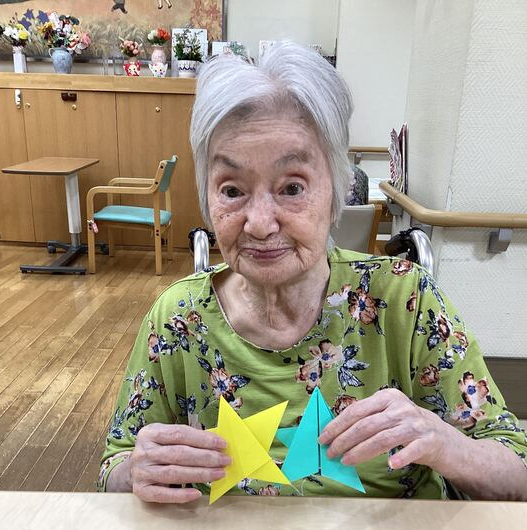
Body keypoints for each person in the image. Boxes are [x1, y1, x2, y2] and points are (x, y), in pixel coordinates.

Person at [100, 41, 527, 503]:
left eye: (292, 187)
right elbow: (114, 470)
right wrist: (136, 471)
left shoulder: (403, 299)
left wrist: (446, 445)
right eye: (232, 190)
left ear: (337, 190)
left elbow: (517, 475)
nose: (259, 223)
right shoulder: (178, 318)